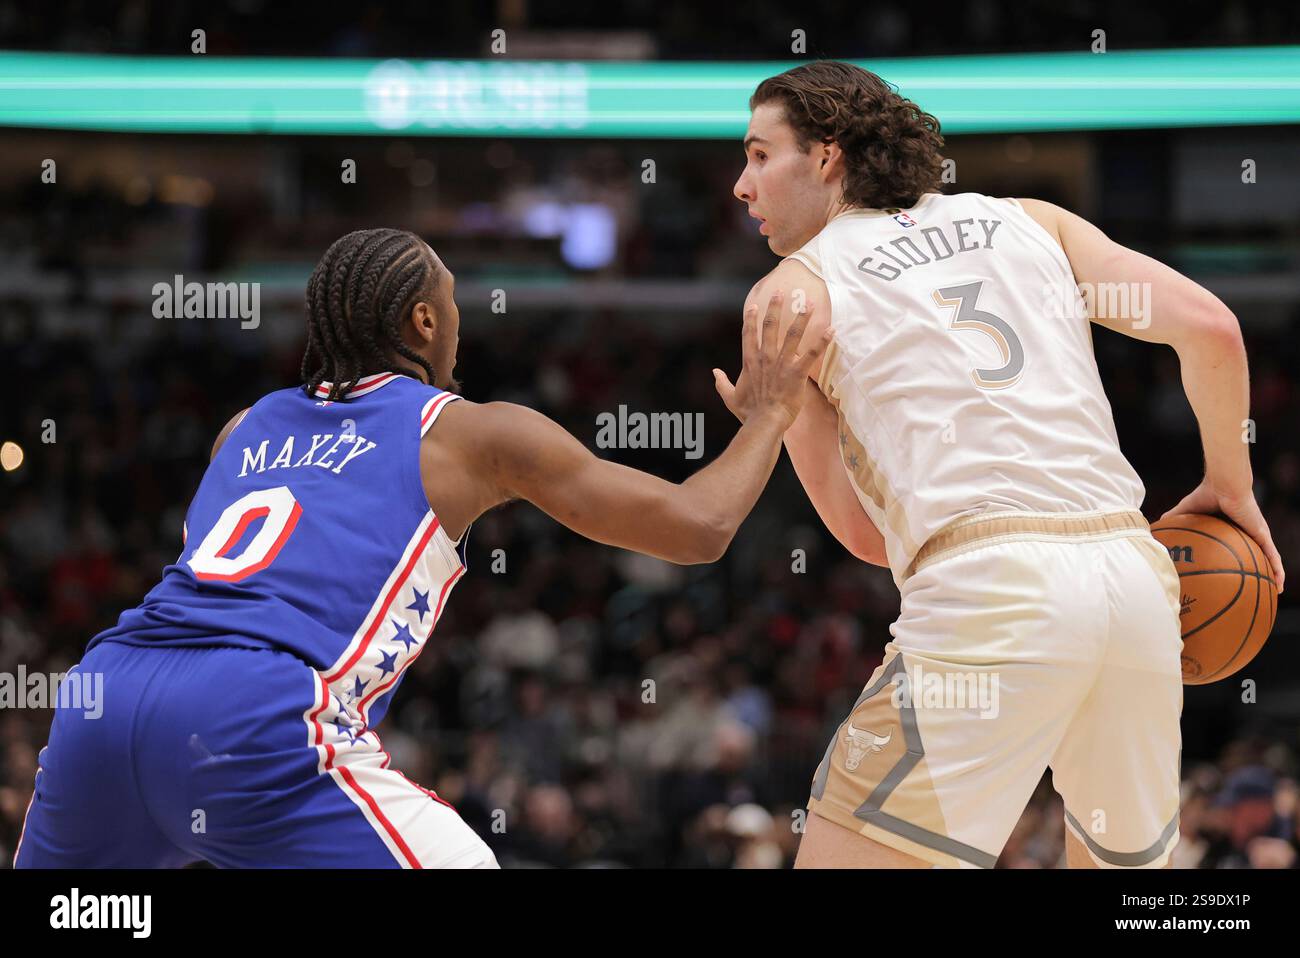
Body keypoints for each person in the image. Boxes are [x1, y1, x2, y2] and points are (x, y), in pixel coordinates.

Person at [14, 227, 826, 868]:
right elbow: (698, 527)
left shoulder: (244, 426)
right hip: (253, 708)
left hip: (104, 693)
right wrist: (770, 416)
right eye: (455, 315)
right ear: (426, 321)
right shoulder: (467, 431)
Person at [720, 61, 1285, 869]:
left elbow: (864, 536)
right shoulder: (1034, 220)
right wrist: (1230, 485)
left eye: (758, 154)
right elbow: (1213, 328)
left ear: (826, 156)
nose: (743, 185)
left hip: (988, 589)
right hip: (1134, 578)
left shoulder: (787, 298)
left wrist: (772, 422)